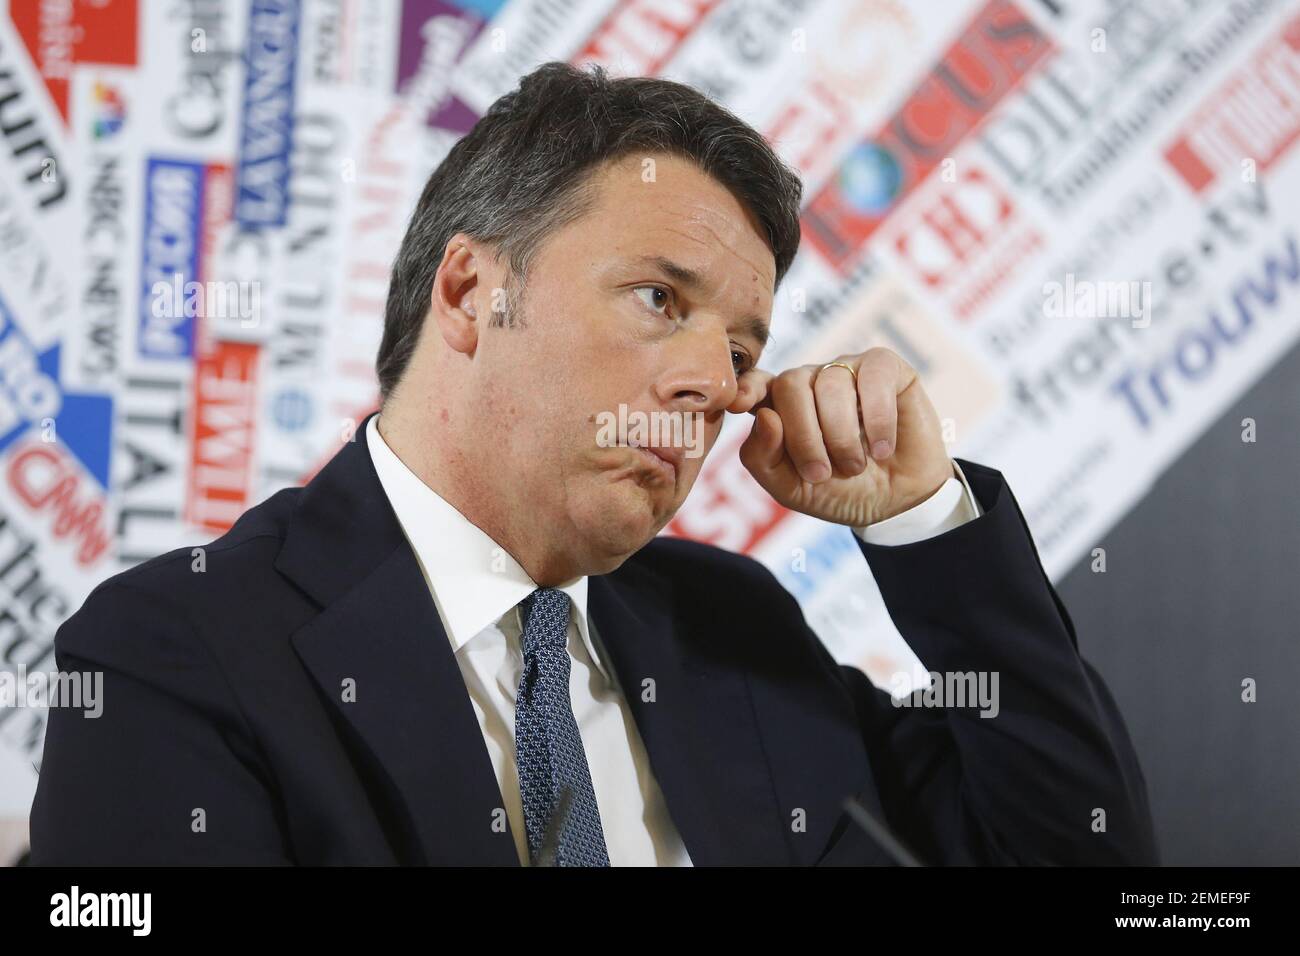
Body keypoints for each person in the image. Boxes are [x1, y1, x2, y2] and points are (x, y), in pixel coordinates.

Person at [29, 62, 1157, 866]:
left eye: (742, 347)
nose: (714, 384)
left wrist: (920, 521)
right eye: (660, 298)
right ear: (474, 293)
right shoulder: (177, 651)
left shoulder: (734, 627)